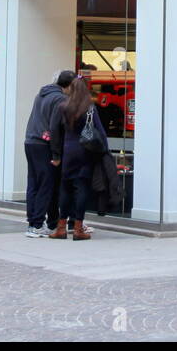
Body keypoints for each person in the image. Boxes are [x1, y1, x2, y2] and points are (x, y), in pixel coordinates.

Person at [52, 76, 109, 241]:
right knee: (81, 188)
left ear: (71, 89)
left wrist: (56, 154)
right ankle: (78, 228)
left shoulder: (62, 106)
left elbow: (55, 131)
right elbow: (100, 131)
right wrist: (104, 152)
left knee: (65, 188)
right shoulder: (89, 107)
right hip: (85, 151)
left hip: (68, 151)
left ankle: (61, 227)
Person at [23, 70, 73, 238]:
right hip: (44, 144)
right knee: (47, 184)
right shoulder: (61, 99)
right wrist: (56, 154)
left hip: (30, 141)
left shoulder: (41, 95)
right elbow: (55, 127)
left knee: (33, 183)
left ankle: (33, 222)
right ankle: (37, 224)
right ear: (69, 85)